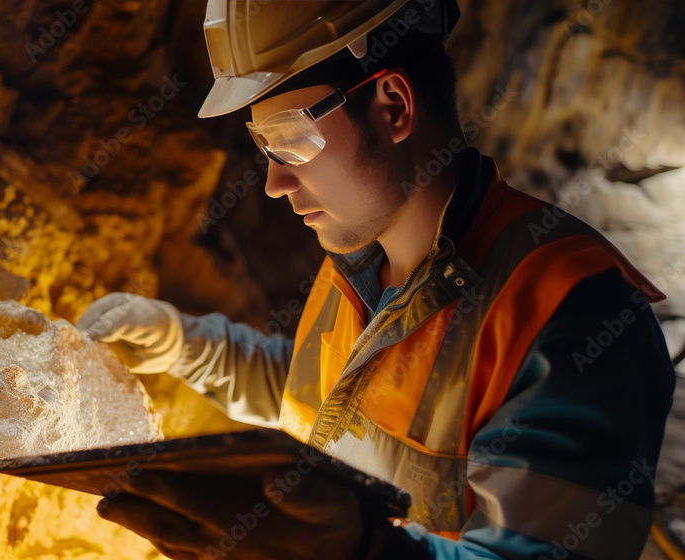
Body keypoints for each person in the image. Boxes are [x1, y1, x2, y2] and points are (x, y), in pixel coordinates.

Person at [75, 1, 677, 558]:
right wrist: (189, 346)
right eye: (265, 146)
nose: (274, 182)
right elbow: (343, 401)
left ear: (393, 106)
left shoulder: (576, 313)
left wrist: (360, 550)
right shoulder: (362, 259)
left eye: (290, 141)